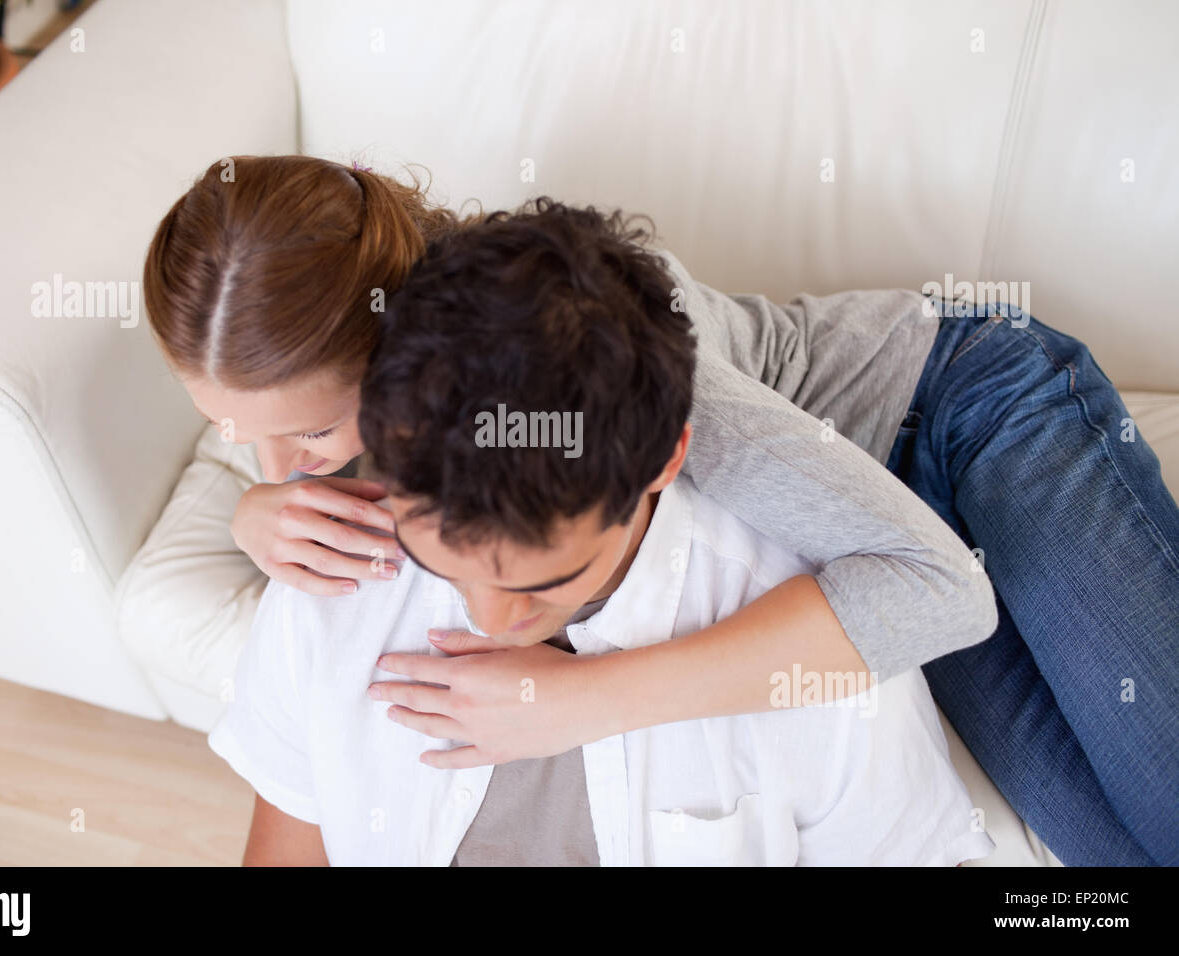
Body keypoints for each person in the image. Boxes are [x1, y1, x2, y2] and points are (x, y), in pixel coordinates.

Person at [122, 155, 1178, 865]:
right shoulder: (400, 407)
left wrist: (583, 700)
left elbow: (935, 585)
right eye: (234, 436)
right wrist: (257, 509)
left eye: (309, 437)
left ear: (391, 364)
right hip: (848, 527)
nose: (284, 464)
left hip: (956, 420)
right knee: (1111, 856)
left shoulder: (602, 369)